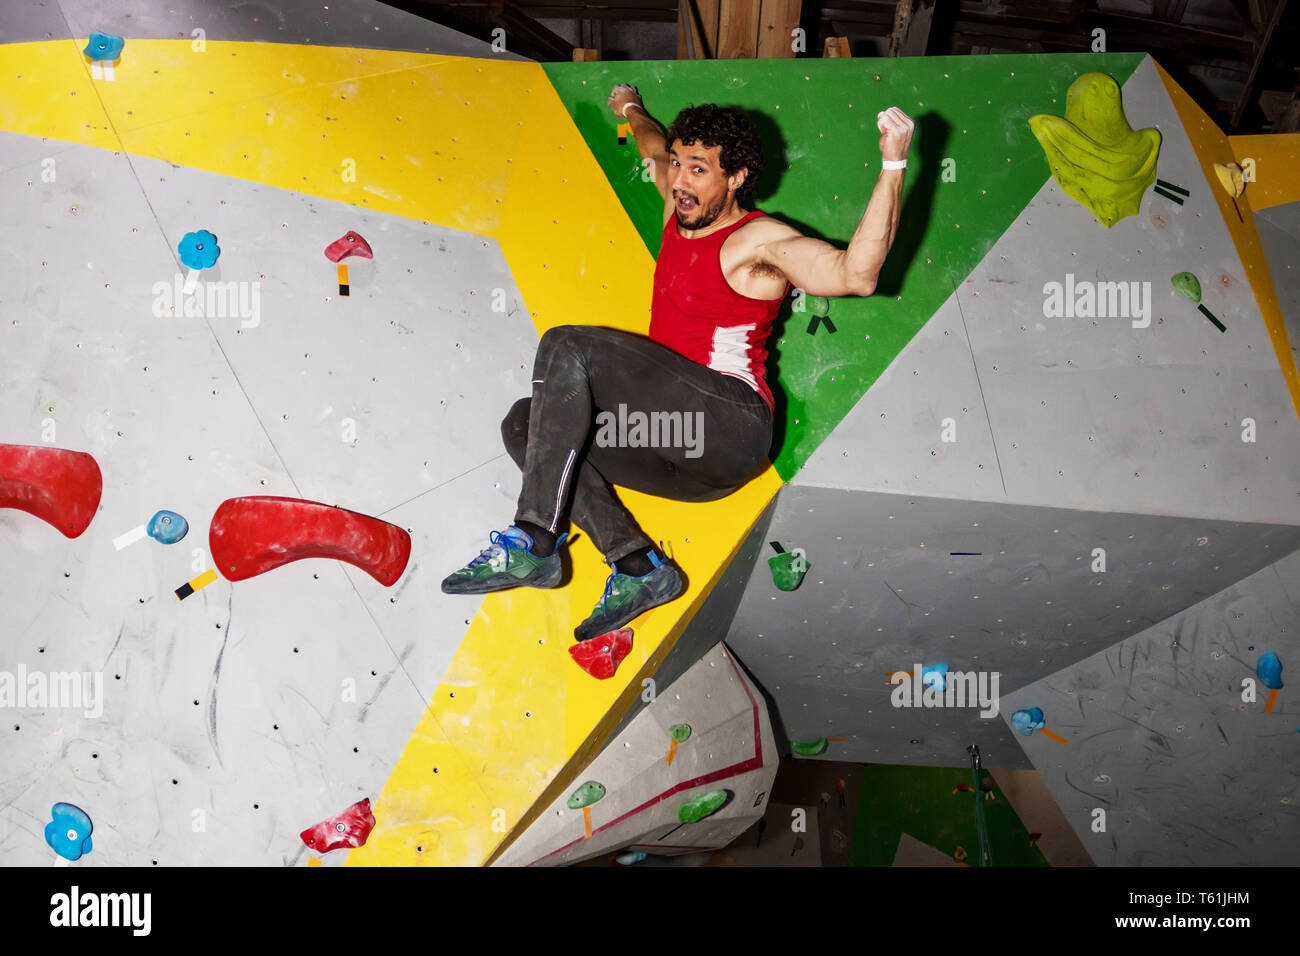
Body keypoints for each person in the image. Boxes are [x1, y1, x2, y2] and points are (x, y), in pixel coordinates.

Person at [442, 84, 914, 642]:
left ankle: (535, 539)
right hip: (670, 442)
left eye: (699, 169)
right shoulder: (677, 202)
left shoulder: (758, 241)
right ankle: (639, 568)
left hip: (729, 425)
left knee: (567, 345)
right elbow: (650, 144)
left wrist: (893, 163)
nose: (681, 181)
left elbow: (855, 274)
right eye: (678, 167)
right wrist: (631, 110)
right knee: (526, 422)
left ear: (735, 177)